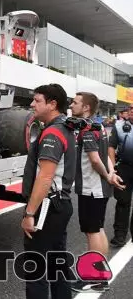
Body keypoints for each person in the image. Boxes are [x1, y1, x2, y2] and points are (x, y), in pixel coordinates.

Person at [20, 84, 76, 299]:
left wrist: (29, 214)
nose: (32, 104)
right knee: (56, 262)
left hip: (48, 207)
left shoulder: (53, 132)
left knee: (36, 269)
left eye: (37, 100)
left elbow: (45, 177)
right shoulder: (64, 127)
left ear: (52, 104)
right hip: (59, 204)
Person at [69, 92, 123, 293]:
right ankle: (100, 276)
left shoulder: (88, 128)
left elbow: (94, 159)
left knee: (92, 231)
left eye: (75, 102)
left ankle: (93, 278)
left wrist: (108, 176)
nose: (72, 105)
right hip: (99, 188)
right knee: (98, 230)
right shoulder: (99, 125)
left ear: (86, 108)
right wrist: (111, 174)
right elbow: (104, 156)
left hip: (92, 188)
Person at [109, 105, 133, 247]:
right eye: (131, 109)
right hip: (124, 167)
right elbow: (111, 146)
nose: (132, 111)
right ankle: (119, 236)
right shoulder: (118, 126)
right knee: (123, 202)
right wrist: (112, 168)